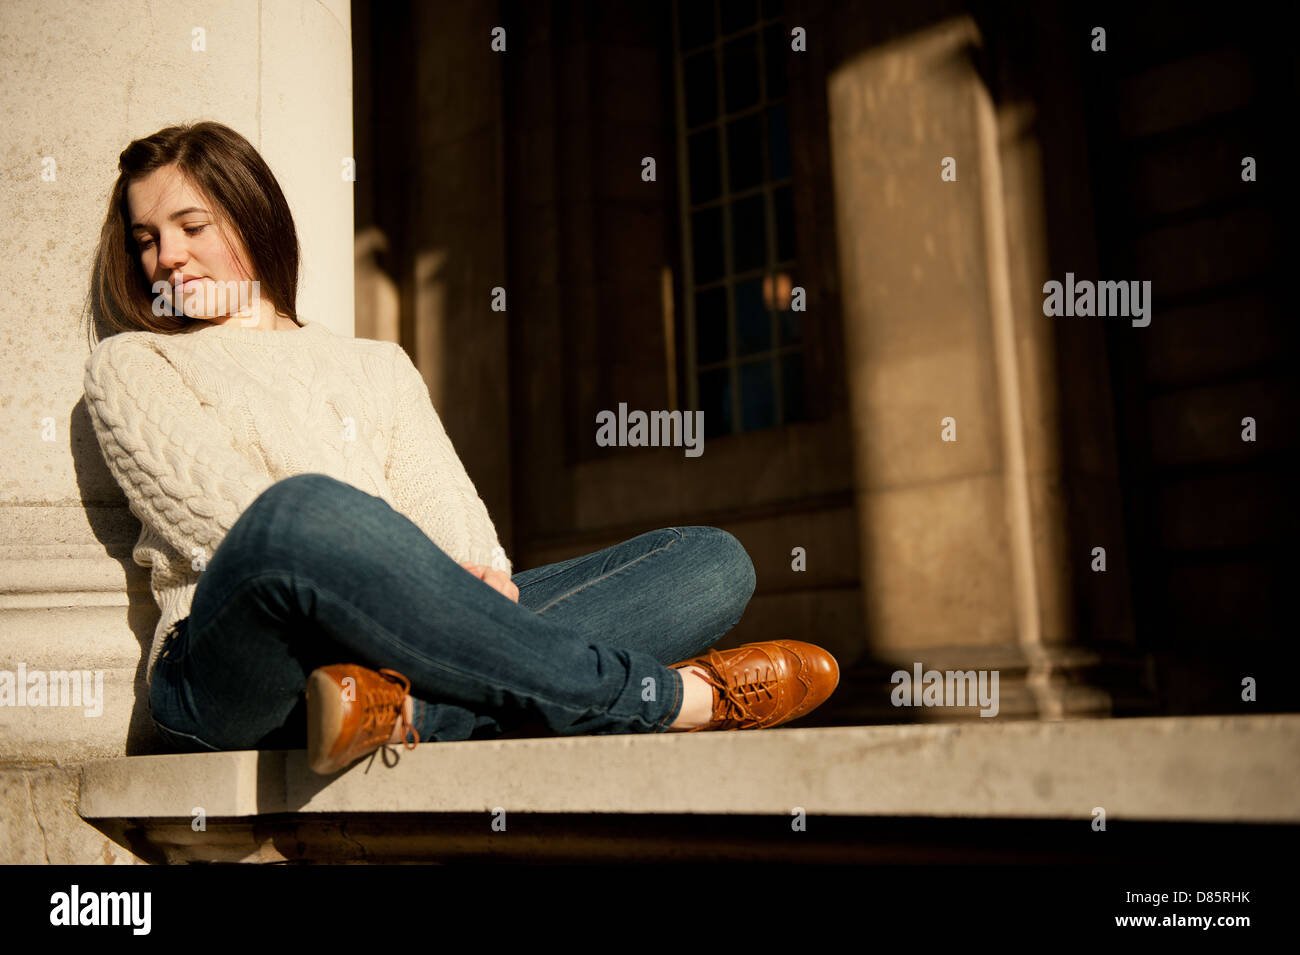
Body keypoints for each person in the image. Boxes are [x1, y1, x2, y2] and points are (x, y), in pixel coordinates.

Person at [82, 121, 839, 775]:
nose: (165, 258)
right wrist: (418, 607)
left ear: (250, 215)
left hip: (400, 644)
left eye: (191, 226)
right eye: (147, 239)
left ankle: (393, 712)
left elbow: (453, 519)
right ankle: (671, 697)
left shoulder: (376, 365)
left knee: (709, 562)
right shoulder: (134, 364)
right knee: (296, 513)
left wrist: (475, 586)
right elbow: (229, 529)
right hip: (232, 666)